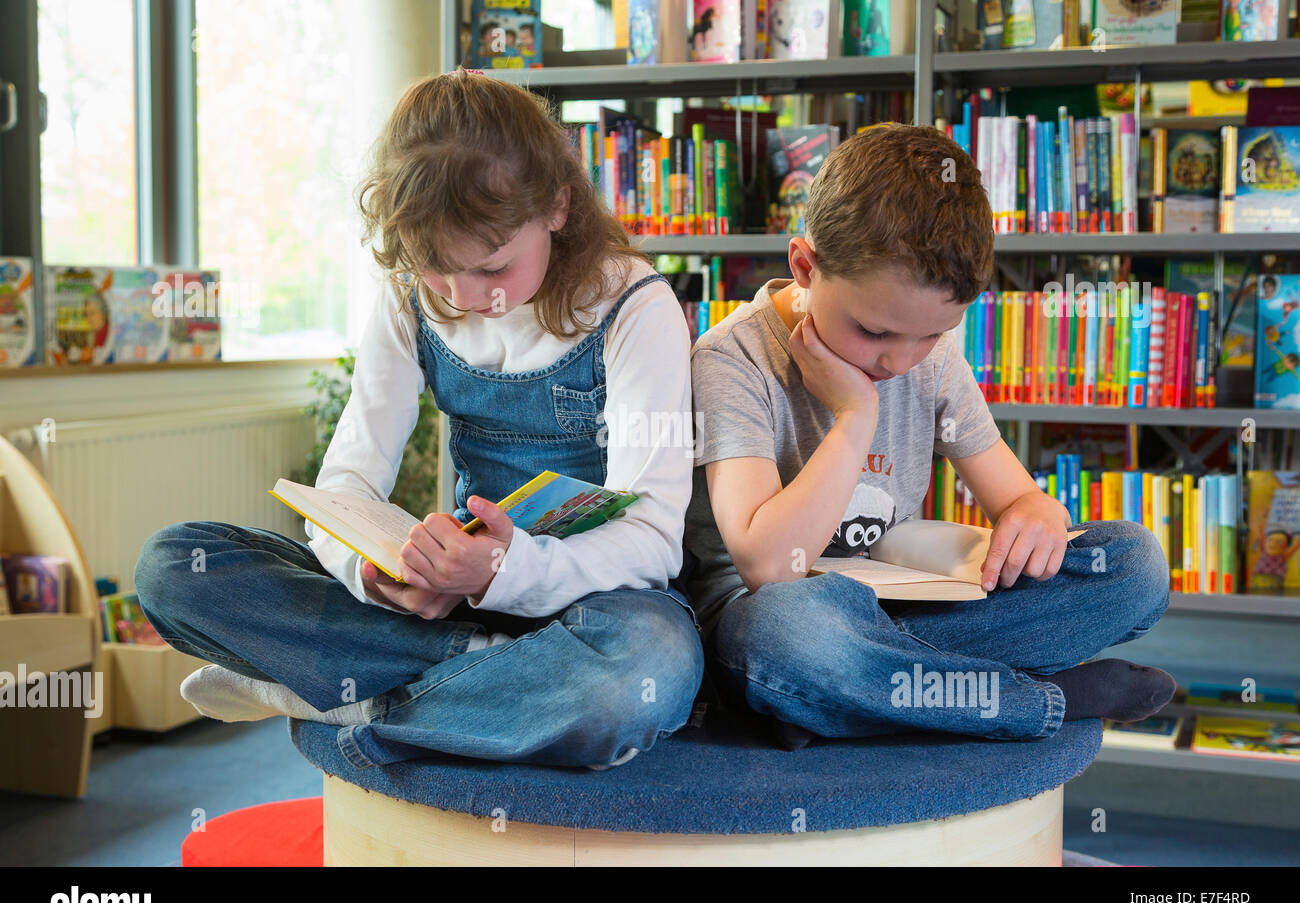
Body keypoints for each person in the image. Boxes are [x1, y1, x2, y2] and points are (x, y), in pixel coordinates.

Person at [134, 68, 703, 770]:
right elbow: (346, 480)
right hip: (453, 606)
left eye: (494, 267)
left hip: (594, 608)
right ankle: (478, 671)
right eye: (436, 267)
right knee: (172, 566)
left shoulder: (634, 306)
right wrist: (369, 571)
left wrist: (502, 571)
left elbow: (651, 541)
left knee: (644, 676)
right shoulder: (408, 298)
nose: (466, 297)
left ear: (558, 206)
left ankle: (351, 699)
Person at [683, 122, 1176, 751]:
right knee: (790, 635)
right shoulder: (732, 360)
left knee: (1133, 564)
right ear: (805, 267)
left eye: (931, 336)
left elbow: (1017, 498)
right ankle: (1035, 700)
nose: (900, 362)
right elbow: (770, 567)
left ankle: (847, 701)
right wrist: (854, 415)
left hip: (893, 612)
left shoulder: (931, 359)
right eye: (874, 332)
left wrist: (1036, 519)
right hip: (765, 617)